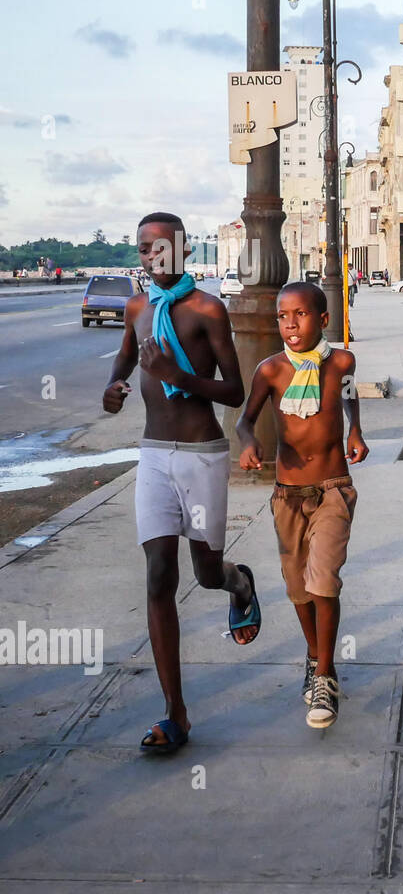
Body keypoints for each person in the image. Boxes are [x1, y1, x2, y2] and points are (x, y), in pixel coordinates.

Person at [102, 212, 261, 755]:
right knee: (158, 577)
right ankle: (175, 714)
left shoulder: (206, 309)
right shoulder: (137, 307)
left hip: (202, 457)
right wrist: (114, 386)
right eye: (143, 248)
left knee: (206, 571)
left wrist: (180, 379)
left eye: (160, 247)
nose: (151, 257)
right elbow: (126, 358)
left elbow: (235, 392)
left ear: (182, 250)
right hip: (153, 457)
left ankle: (239, 583)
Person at [236, 282, 368, 727]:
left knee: (323, 580)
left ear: (324, 320)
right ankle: (314, 656)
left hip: (332, 486)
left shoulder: (342, 362)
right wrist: (249, 441)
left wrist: (355, 431)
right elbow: (244, 418)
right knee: (299, 589)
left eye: (301, 315)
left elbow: (349, 397)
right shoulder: (271, 370)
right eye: (282, 316)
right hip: (287, 495)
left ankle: (326, 675)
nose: (290, 324)